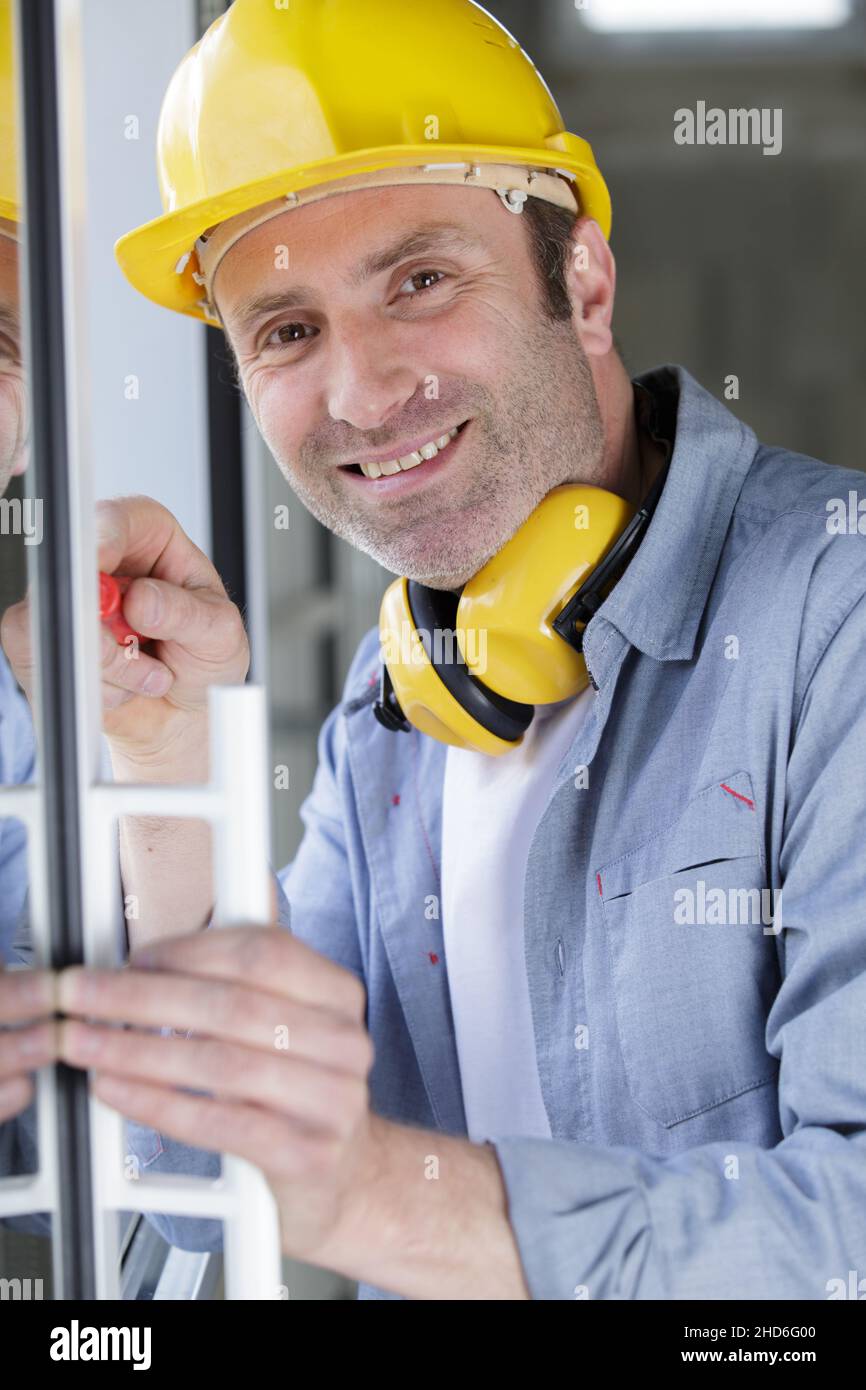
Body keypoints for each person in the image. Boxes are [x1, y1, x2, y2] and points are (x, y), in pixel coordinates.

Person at [8, 0, 866, 1300]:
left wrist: (368, 1189)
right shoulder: (398, 701)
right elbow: (209, 1182)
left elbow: (843, 1234)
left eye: (417, 280)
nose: (359, 393)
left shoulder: (832, 617)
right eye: (286, 331)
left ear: (579, 278)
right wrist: (167, 756)